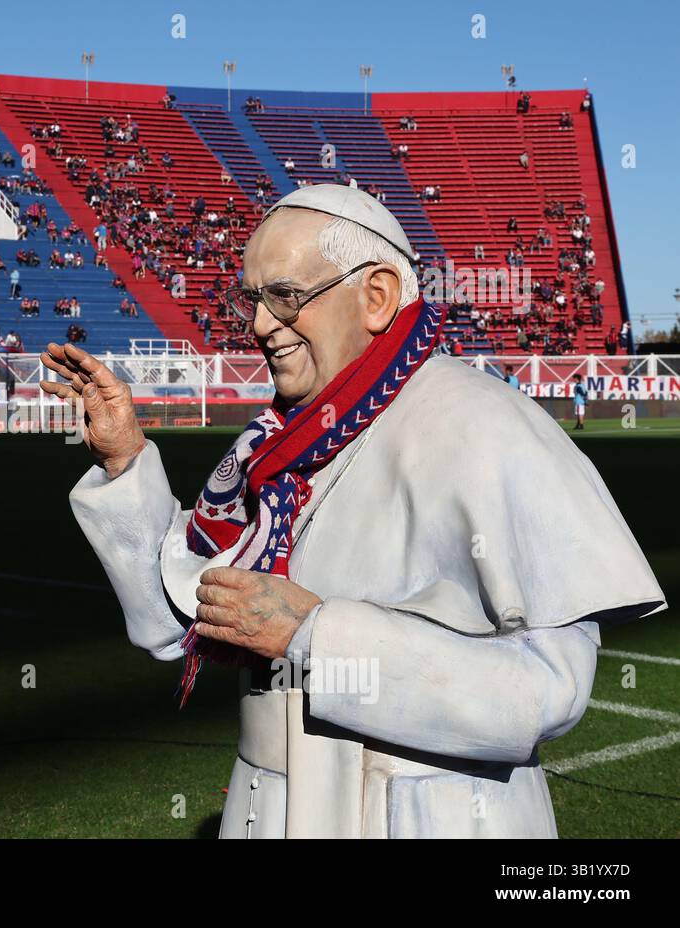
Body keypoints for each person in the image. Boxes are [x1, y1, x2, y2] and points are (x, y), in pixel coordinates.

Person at [41, 184, 663, 839]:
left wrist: (315, 636)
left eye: (286, 296)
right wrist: (125, 461)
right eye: (253, 299)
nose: (260, 325)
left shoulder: (489, 426)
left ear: (377, 296)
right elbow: (177, 625)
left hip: (431, 818)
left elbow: (550, 690)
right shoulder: (272, 446)